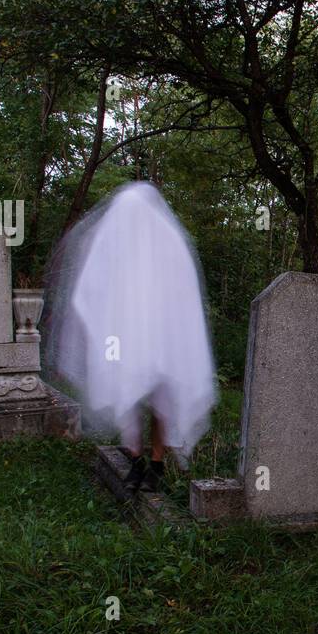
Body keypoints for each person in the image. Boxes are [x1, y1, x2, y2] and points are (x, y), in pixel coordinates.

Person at [45, 181, 217, 492]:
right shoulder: (116, 245)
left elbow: (182, 297)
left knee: (160, 398)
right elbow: (92, 289)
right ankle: (139, 460)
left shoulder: (167, 244)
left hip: (161, 339)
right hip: (125, 340)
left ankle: (155, 463)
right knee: (132, 394)